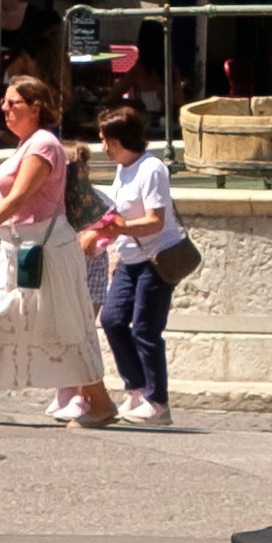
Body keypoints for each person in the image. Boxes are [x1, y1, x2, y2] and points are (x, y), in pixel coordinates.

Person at [0, 71, 110, 423]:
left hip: (45, 252)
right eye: (4, 102)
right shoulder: (28, 144)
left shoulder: (44, 144)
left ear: (36, 107)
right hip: (18, 250)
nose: (5, 109)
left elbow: (18, 199)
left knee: (65, 327)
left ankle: (100, 401)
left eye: (13, 103)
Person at [90, 106, 186, 426]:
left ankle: (158, 402)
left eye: (107, 140)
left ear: (123, 139)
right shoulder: (123, 168)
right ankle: (137, 388)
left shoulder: (152, 168)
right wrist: (116, 252)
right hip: (130, 259)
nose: (103, 146)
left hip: (155, 259)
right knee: (113, 320)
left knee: (146, 328)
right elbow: (121, 213)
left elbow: (155, 222)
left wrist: (119, 230)